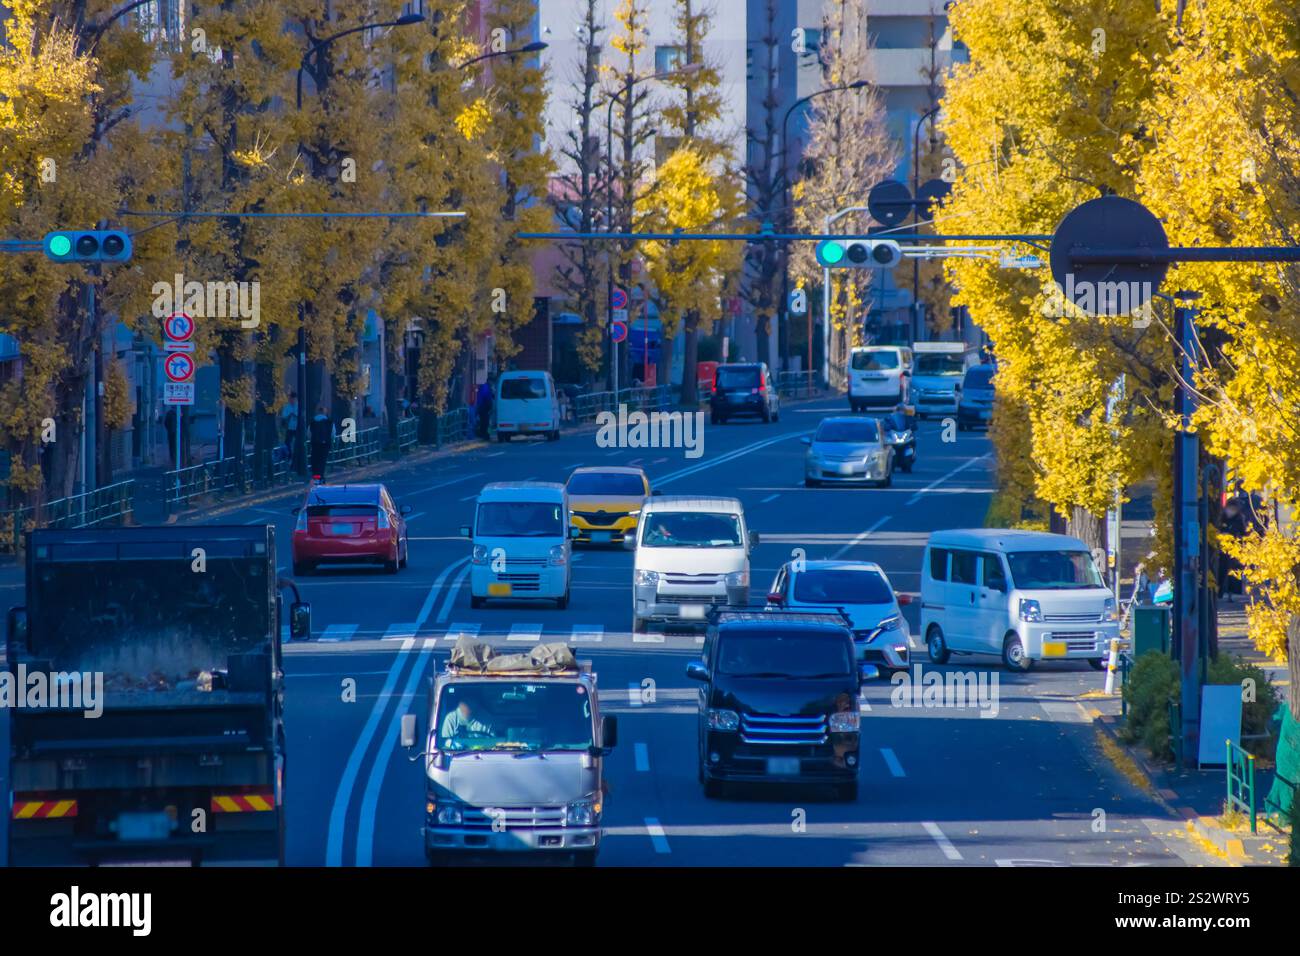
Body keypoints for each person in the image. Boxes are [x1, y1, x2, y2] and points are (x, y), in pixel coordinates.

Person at [308, 406, 334, 480]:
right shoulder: (329, 421)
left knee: (315, 459)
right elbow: (333, 433)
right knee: (322, 460)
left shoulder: (313, 421)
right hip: (325, 444)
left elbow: (309, 433)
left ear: (318, 412)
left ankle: (315, 476)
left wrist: (311, 440)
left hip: (315, 443)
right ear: (325, 412)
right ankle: (321, 476)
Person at [281, 390, 299, 459]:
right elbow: (284, 416)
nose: (292, 400)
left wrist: (295, 415)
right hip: (289, 427)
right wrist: (290, 415)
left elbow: (299, 415)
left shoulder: (298, 406)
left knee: (297, 443)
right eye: (291, 398)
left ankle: (296, 456)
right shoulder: (287, 406)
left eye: (293, 398)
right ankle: (289, 456)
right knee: (287, 442)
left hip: (297, 427)